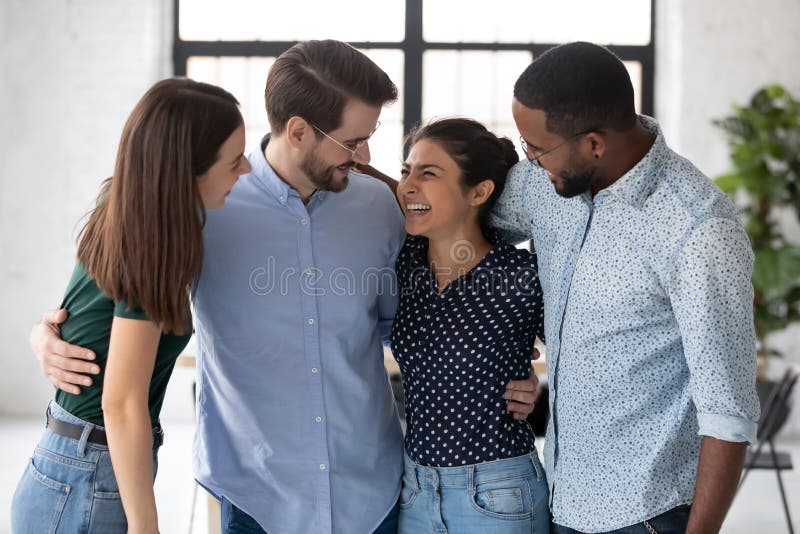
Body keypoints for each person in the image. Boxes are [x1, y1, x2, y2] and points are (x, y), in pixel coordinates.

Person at [27, 40, 540, 534]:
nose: (366, 153)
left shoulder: (381, 206)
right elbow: (114, 282)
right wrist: (50, 333)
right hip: (255, 494)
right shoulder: (204, 204)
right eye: (353, 139)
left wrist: (508, 376)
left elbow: (422, 307)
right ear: (298, 131)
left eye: (370, 134)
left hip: (371, 491)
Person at [490, 42, 760, 534]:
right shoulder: (544, 184)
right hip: (558, 500)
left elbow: (729, 413)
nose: (528, 160)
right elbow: (460, 217)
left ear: (594, 143)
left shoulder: (697, 230)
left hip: (648, 516)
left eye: (537, 148)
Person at [11, 78, 250, 533]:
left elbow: (81, 318)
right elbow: (120, 403)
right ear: (188, 171)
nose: (247, 172)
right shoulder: (152, 242)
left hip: (74, 462)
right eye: (234, 162)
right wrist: (146, 526)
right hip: (89, 473)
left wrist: (40, 333)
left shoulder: (124, 199)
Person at [392, 118, 550, 533]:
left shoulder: (521, 275)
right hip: (414, 491)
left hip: (499, 492)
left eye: (428, 174)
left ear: (479, 191)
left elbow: (587, 354)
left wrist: (539, 388)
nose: (408, 186)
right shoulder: (404, 260)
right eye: (406, 171)